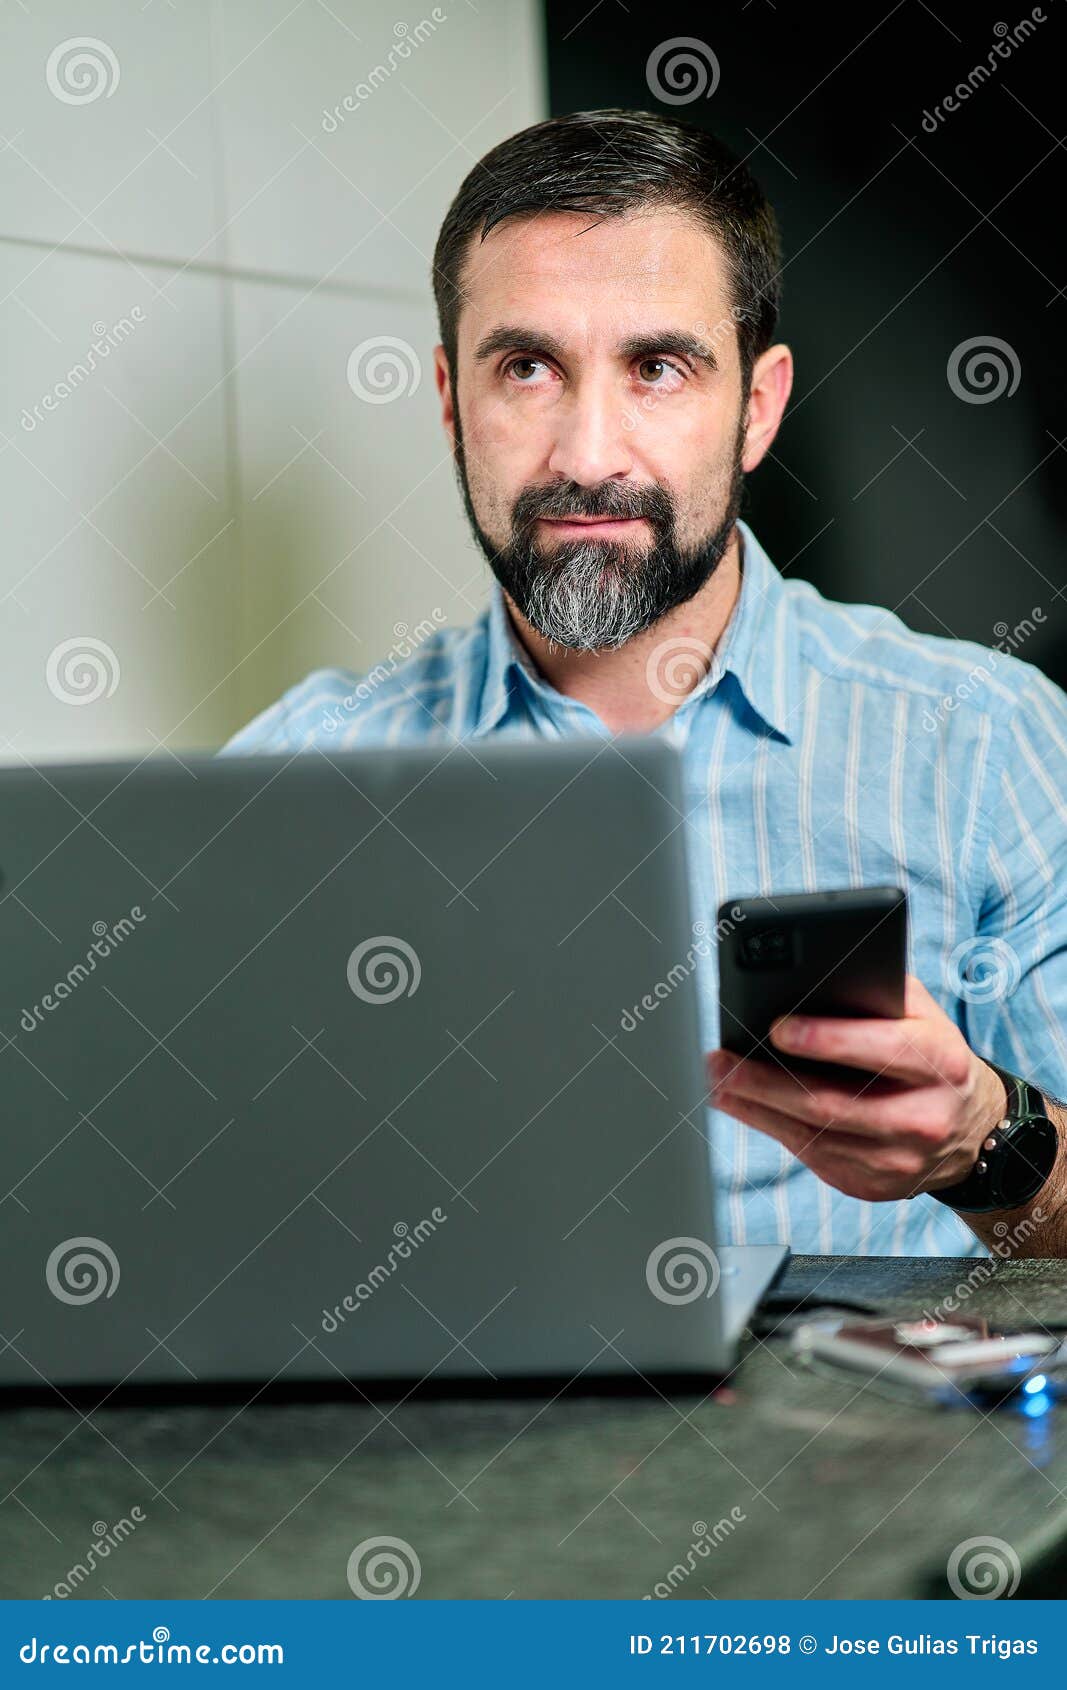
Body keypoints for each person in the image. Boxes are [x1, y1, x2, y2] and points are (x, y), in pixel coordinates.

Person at [220, 109, 1067, 1259]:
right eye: (526, 368)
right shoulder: (296, 774)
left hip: (868, 1437)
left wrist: (987, 1141)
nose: (585, 453)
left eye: (657, 367)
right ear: (448, 401)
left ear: (757, 408)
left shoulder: (985, 746)